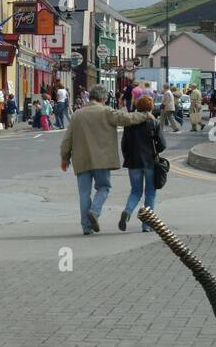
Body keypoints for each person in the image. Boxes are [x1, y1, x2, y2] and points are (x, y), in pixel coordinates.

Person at [60, 83, 149, 235]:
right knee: (103, 188)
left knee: (84, 194)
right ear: (103, 98)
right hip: (102, 159)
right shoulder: (106, 111)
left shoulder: (77, 114)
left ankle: (86, 227)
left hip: (81, 159)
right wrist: (145, 115)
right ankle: (94, 211)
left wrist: (64, 157)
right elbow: (127, 119)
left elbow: (67, 139)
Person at [119, 93, 166, 233]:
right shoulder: (154, 123)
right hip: (150, 162)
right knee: (150, 193)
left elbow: (124, 144)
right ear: (150, 109)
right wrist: (155, 150)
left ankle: (127, 211)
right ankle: (147, 225)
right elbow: (162, 144)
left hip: (133, 162)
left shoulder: (130, 123)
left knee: (135, 191)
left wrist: (127, 156)